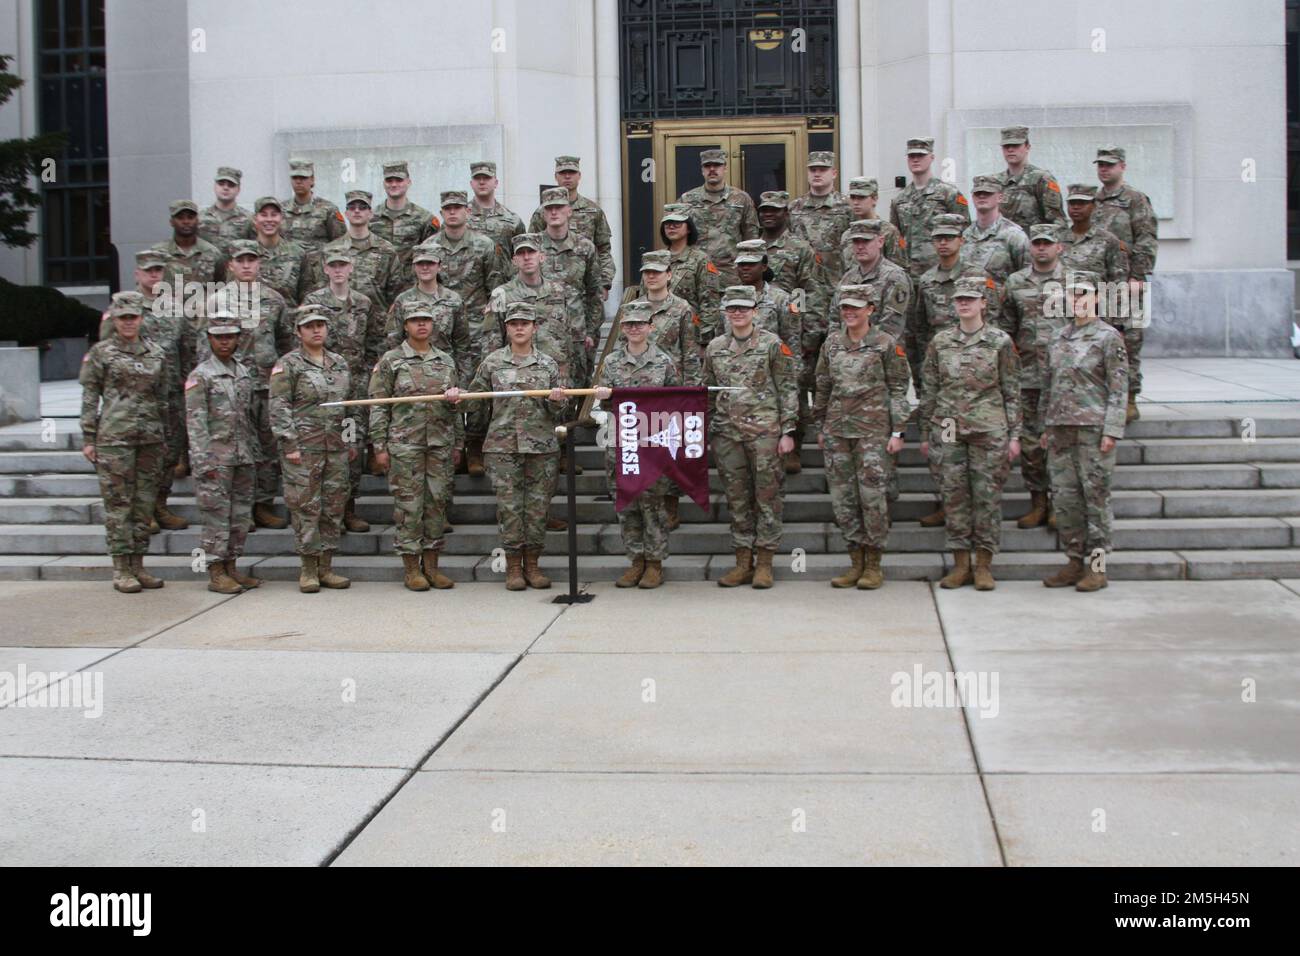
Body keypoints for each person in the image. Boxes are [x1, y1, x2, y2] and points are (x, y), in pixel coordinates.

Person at [919, 276, 1021, 591]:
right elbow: (930, 388)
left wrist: (1015, 435)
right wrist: (926, 432)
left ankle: (984, 565)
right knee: (954, 497)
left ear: (983, 303)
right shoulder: (941, 342)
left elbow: (1011, 389)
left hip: (988, 429)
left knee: (987, 499)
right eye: (959, 299)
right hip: (948, 429)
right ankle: (961, 564)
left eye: (970, 299)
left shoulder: (1000, 342)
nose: (964, 304)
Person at [813, 285, 910, 589]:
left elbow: (899, 388)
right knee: (843, 499)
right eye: (845, 307)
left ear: (870, 309)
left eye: (856, 306)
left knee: (872, 498)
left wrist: (898, 430)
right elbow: (823, 386)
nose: (850, 312)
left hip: (873, 433)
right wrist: (820, 426)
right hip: (837, 431)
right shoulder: (831, 344)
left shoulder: (885, 344)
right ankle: (855, 560)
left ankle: (874, 564)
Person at [468, 302, 568, 591]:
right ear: (507, 328)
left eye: (525, 323)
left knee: (537, 509)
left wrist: (557, 400)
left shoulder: (548, 364)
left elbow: (559, 415)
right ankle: (513, 567)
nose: (520, 328)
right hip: (502, 447)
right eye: (514, 323)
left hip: (542, 447)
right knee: (510, 509)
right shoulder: (492, 362)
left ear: (535, 328)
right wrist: (456, 396)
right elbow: (476, 401)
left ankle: (533, 565)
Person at [703, 285, 798, 589]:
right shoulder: (715, 347)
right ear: (725, 313)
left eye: (744, 307)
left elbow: (787, 387)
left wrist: (788, 430)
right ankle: (743, 561)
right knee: (737, 499)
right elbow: (707, 391)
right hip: (727, 434)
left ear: (756, 311)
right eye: (732, 308)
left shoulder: (772, 344)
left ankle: (765, 562)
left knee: (767, 498)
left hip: (765, 434)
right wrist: (705, 431)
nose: (738, 313)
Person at [1041, 271, 1129, 592]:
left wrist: (1112, 430)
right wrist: (1044, 426)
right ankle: (1074, 562)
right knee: (1066, 499)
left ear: (1096, 298)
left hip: (1093, 430)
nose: (1077, 300)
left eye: (1083, 295)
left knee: (1096, 500)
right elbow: (1048, 385)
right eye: (1072, 295)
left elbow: (1120, 388)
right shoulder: (1058, 336)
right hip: (1060, 429)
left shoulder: (1108, 338)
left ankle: (1098, 567)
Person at [79, 292, 170, 593]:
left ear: (142, 319)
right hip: (114, 438)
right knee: (119, 505)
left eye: (133, 317)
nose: (129, 323)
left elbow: (164, 397)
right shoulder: (101, 353)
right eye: (123, 318)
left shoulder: (156, 352)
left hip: (150, 438)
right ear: (115, 320)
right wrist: (88, 437)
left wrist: (166, 436)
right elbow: (90, 396)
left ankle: (139, 564)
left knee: (143, 505)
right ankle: (121, 568)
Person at [369, 306, 464, 591]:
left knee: (436, 504)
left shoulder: (445, 360)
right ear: (405, 325)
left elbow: (456, 407)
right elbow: (378, 404)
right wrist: (379, 445)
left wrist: (458, 441)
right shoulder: (391, 360)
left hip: (439, 443)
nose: (421, 325)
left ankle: (432, 566)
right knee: (409, 506)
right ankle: (412, 568)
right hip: (405, 444)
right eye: (415, 321)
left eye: (426, 320)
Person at [591, 300, 682, 589]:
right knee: (626, 502)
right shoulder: (611, 362)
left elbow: (676, 402)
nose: (634, 328)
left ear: (650, 327)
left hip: (651, 442)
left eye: (639, 323)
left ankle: (655, 563)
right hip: (620, 441)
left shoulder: (664, 361)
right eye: (629, 324)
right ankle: (635, 560)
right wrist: (602, 394)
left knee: (652, 504)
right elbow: (602, 402)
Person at [201, 239, 289, 530]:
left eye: (252, 260)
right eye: (241, 261)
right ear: (230, 265)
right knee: (236, 447)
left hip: (266, 386)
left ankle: (263, 503)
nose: (247, 265)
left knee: (267, 446)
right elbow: (206, 345)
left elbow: (285, 340)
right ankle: (241, 508)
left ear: (259, 263)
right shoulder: (218, 301)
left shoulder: (274, 299)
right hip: (230, 387)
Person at [99, 249, 189, 528]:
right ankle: (142, 511)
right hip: (135, 399)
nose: (153, 274)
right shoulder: (123, 309)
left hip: (171, 393)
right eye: (148, 270)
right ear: (136, 273)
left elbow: (186, 347)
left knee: (168, 452)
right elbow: (104, 355)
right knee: (141, 456)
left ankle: (159, 504)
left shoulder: (174, 306)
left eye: (158, 270)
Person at [270, 305, 356, 592]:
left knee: (333, 507)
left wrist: (351, 439)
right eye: (309, 326)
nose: (316, 330)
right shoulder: (289, 364)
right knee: (306, 506)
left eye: (321, 325)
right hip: (304, 448)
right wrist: (289, 443)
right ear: (298, 332)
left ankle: (326, 567)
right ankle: (308, 569)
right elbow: (279, 406)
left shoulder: (339, 362)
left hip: (336, 447)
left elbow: (349, 406)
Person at [300, 248, 379, 533]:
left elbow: (373, 341)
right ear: (325, 269)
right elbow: (304, 340)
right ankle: (322, 513)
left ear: (352, 268)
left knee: (352, 446)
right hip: (322, 386)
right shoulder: (314, 302)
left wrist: (370, 375)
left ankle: (348, 509)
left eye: (342, 265)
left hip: (354, 387)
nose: (337, 270)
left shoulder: (363, 302)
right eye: (332, 265)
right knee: (322, 446)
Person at [185, 312, 261, 593]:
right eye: (219, 337)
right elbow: (195, 421)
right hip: (215, 457)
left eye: (230, 337)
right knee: (216, 517)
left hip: (242, 455)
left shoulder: (243, 371)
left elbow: (248, 415)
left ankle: (232, 567)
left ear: (239, 339)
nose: (225, 342)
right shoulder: (201, 375)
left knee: (240, 516)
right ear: (209, 340)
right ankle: (216, 572)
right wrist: (203, 460)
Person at [1001, 223, 1070, 529]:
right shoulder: (1015, 282)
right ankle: (1038, 502)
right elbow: (1006, 328)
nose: (1041, 248)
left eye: (1047, 243)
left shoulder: (1076, 282)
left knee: (1059, 443)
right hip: (1027, 375)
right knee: (1030, 445)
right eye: (1037, 243)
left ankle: (1060, 504)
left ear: (1060, 247)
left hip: (1065, 380)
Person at [1093, 145, 1158, 423]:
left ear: (1122, 166)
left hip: (1126, 284)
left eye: (1109, 164)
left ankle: (1130, 398)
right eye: (1100, 165)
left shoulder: (1134, 199)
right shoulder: (1092, 201)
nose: (1104, 169)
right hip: (1098, 286)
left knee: (1129, 342)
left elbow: (1146, 238)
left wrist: (1138, 276)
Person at [528, 156, 615, 294]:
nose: (567, 176)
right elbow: (532, 248)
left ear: (579, 175)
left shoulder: (593, 211)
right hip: (549, 287)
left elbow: (604, 249)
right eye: (562, 173)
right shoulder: (541, 213)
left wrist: (605, 282)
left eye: (572, 172)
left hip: (584, 285)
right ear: (556, 176)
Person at [889, 137, 969, 280]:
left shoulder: (948, 193)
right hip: (909, 274)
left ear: (931, 157)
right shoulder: (899, 199)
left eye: (920, 155)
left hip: (942, 274)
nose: (915, 159)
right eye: (911, 156)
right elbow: (896, 238)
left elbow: (965, 233)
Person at [678, 148, 759, 287]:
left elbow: (751, 238)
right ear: (702, 170)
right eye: (707, 166)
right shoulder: (687, 200)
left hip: (733, 275)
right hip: (697, 273)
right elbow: (676, 237)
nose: (712, 169)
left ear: (725, 168)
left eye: (717, 165)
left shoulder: (741, 199)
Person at [370, 160, 439, 290]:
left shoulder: (424, 219)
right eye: (389, 180)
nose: (394, 184)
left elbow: (434, 256)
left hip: (412, 291)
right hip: (378, 291)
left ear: (408, 182)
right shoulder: (371, 218)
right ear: (384, 184)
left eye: (399, 180)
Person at [788, 151, 854, 284]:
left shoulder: (847, 206)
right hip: (805, 283)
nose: (817, 174)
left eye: (823, 170)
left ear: (834, 173)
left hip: (838, 280)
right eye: (812, 170)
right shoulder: (794, 207)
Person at [993, 125, 1066, 231]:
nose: (1010, 149)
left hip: (1033, 243)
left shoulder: (1041, 179)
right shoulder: (995, 182)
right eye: (1006, 146)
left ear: (1027, 147)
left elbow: (1057, 221)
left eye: (1016, 145)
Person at [962, 175, 1028, 284]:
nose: (982, 196)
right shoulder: (964, 235)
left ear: (1000, 197)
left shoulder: (1014, 235)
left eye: (988, 193)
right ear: (973, 197)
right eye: (978, 193)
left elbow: (1027, 275)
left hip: (1001, 299)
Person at [251, 196, 309, 313]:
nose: (269, 219)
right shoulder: (245, 255)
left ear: (281, 218)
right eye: (263, 215)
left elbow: (307, 294)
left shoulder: (297, 254)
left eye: (274, 215)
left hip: (289, 325)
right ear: (255, 219)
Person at [153, 199, 226, 287]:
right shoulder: (157, 253)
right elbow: (146, 286)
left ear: (197, 221)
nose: (186, 222)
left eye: (190, 217)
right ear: (171, 222)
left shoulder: (213, 253)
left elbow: (220, 288)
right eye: (180, 218)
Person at [280, 157, 345, 252]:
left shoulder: (328, 209)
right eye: (295, 178)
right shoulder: (281, 209)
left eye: (303, 178)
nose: (298, 182)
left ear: (312, 180)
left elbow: (340, 242)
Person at [467, 160, 525, 261]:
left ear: (496, 183)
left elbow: (523, 255)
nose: (482, 182)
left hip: (502, 276)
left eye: (487, 178)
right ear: (471, 184)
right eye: (477, 178)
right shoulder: (459, 217)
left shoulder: (512, 220)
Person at [840, 178, 904, 267]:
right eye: (853, 197)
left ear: (874, 199)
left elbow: (899, 269)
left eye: (861, 197)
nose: (855, 202)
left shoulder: (888, 232)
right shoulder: (847, 235)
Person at [198, 166, 252, 254]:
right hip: (207, 267)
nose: (225, 188)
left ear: (238, 190)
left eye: (231, 185)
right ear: (215, 187)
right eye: (221, 184)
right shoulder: (200, 217)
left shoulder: (249, 219)